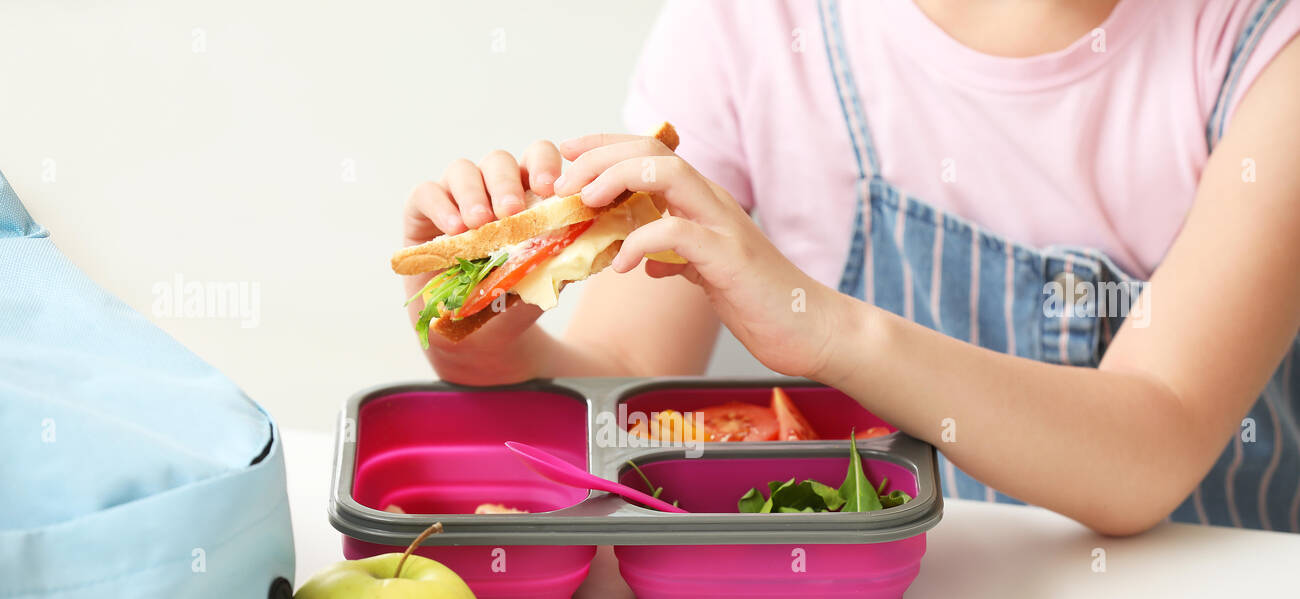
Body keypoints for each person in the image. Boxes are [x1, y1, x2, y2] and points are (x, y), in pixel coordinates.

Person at [399, 0, 1300, 535]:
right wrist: (497, 351)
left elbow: (1154, 445)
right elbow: (628, 380)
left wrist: (828, 329)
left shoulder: (1263, 48)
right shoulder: (757, 28)